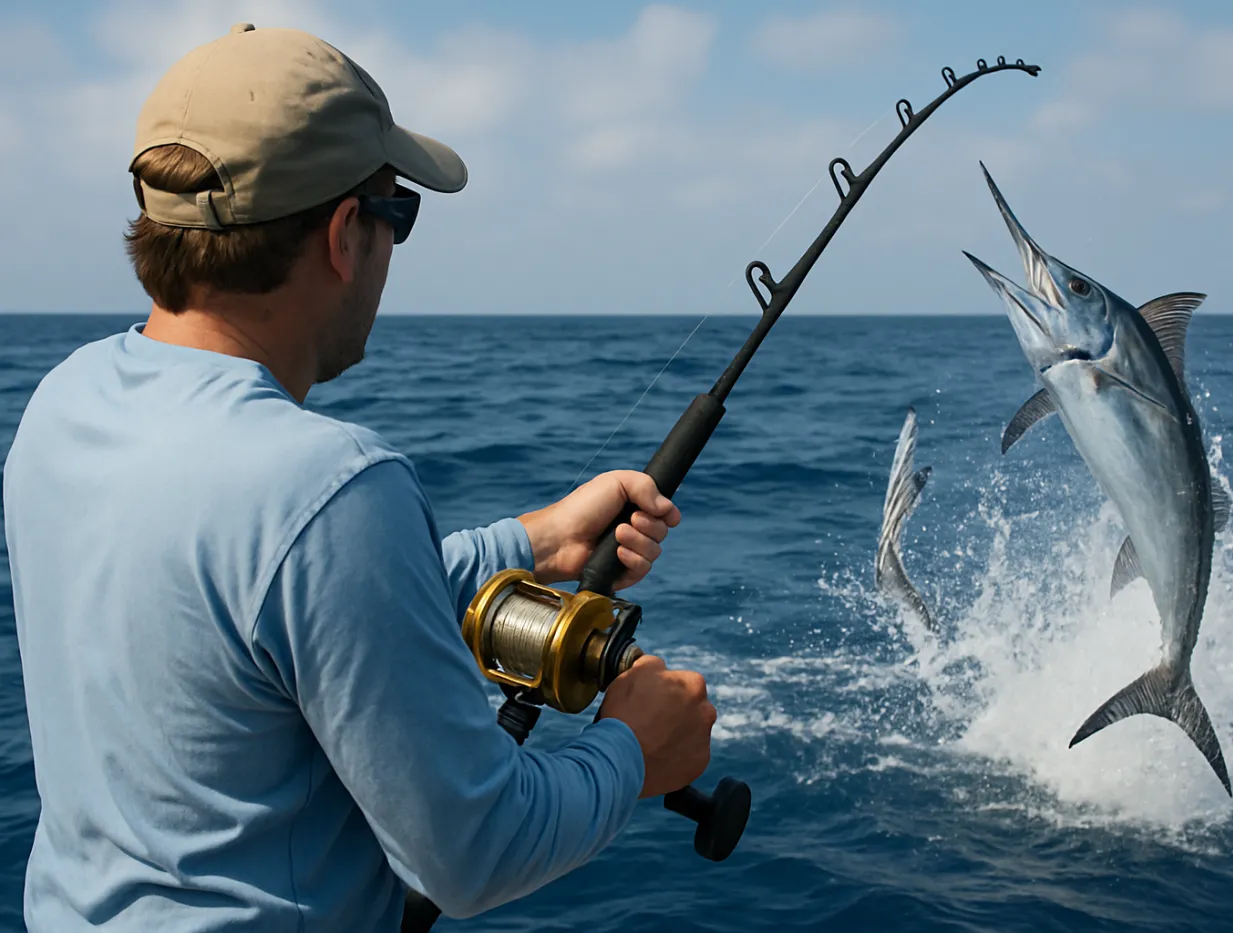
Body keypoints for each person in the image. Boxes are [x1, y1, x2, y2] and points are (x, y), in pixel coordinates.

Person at [2, 22, 718, 932]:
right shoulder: (328, 486)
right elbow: (474, 853)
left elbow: (265, 606)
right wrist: (633, 745)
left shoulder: (65, 403)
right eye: (397, 214)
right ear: (346, 234)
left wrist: (536, 541)